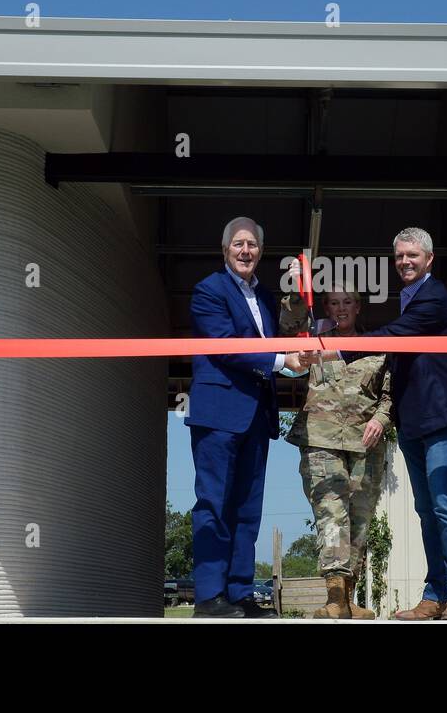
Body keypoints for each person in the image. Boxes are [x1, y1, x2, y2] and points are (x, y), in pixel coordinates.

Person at [312, 226, 447, 620]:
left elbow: (397, 336)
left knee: (444, 503)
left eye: (412, 256)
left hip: (442, 418)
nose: (405, 261)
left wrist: (340, 345)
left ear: (429, 260)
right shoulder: (410, 297)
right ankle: (434, 596)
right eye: (400, 255)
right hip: (416, 422)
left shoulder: (432, 298)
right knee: (426, 509)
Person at [184, 216, 305, 618]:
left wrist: (295, 360)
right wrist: (280, 360)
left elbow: (280, 345)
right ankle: (208, 596)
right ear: (224, 250)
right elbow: (226, 347)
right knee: (214, 504)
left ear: (260, 252)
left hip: (256, 414)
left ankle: (239, 593)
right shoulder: (208, 291)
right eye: (238, 244)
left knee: (248, 510)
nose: (245, 251)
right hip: (219, 413)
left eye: (252, 245)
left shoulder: (267, 298)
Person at [279, 276, 392, 619]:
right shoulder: (313, 344)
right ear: (326, 308)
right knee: (331, 514)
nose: (341, 308)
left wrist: (382, 420)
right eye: (334, 303)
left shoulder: (378, 345)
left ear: (358, 307)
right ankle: (333, 595)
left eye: (347, 302)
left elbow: (390, 395)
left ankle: (348, 597)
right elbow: (289, 330)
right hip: (320, 441)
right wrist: (295, 297)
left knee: (359, 519)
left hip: (365, 444)